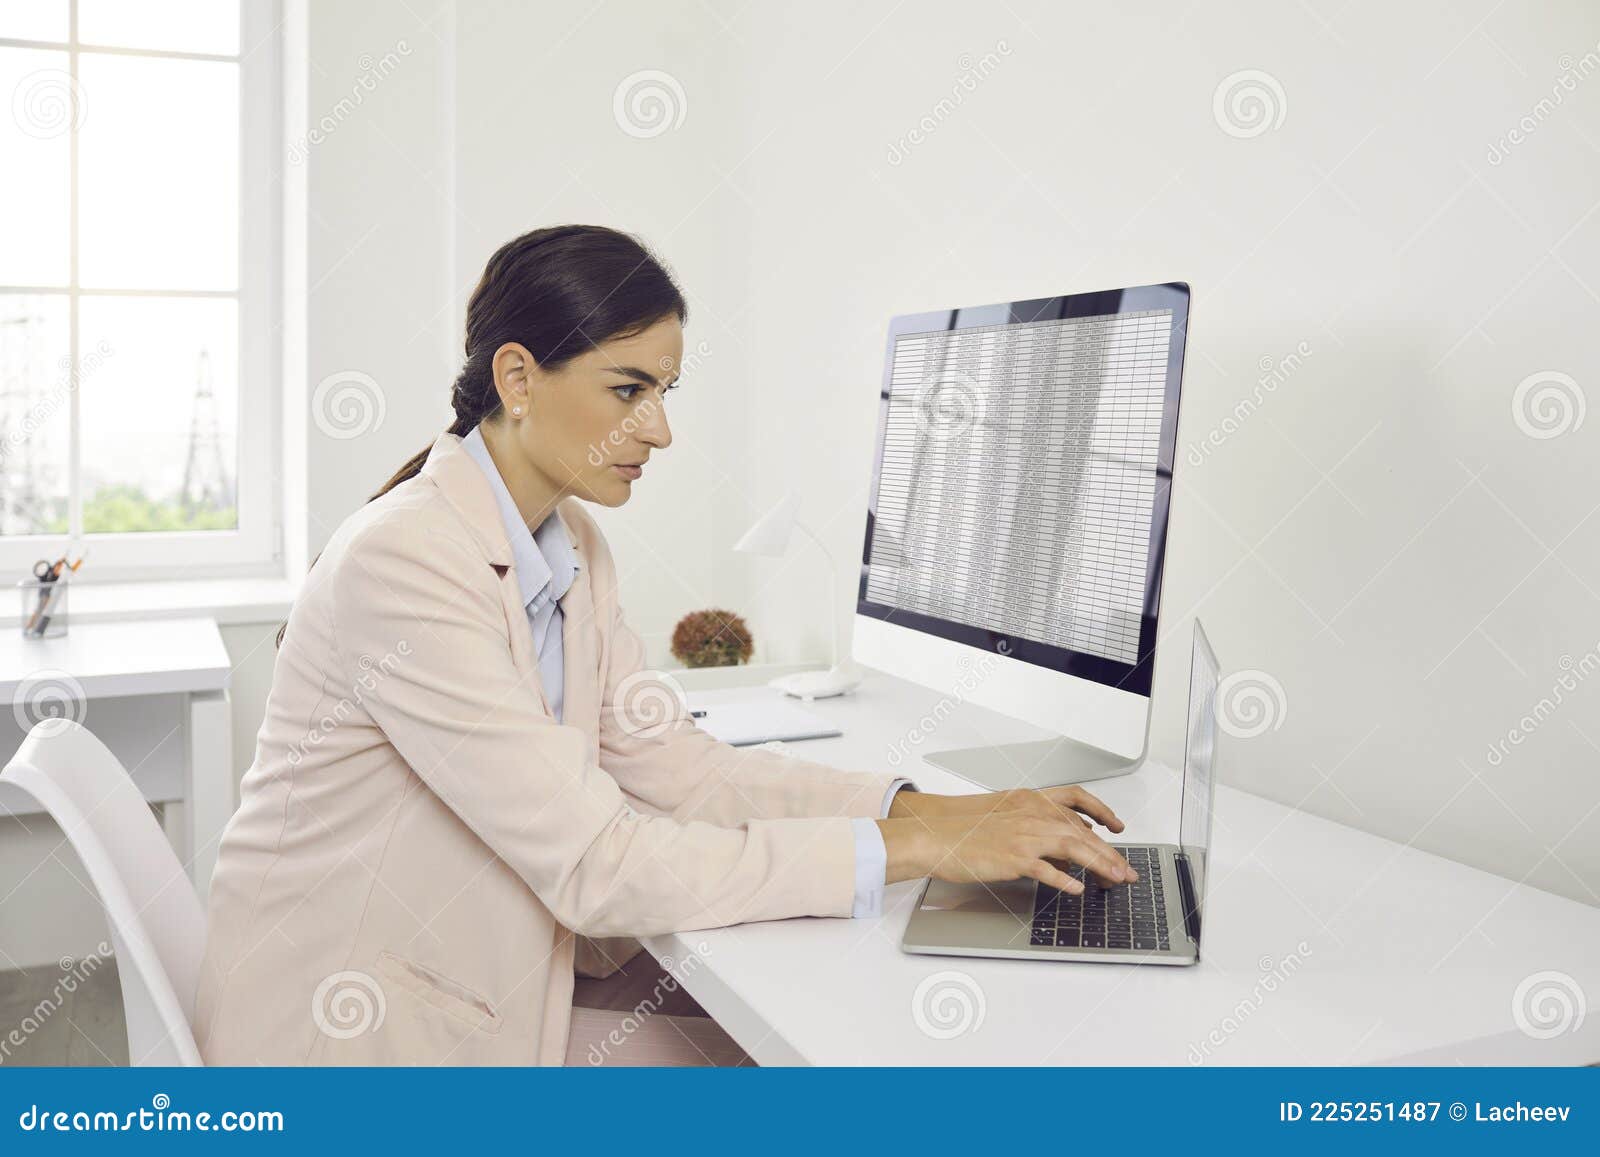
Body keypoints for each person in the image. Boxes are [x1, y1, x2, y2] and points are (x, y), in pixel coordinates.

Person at [192, 224, 1136, 1065]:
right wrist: (915, 848)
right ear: (518, 378)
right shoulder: (405, 559)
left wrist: (925, 807)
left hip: (477, 980)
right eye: (628, 389)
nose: (662, 428)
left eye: (665, 388)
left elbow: (676, 769)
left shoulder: (571, 546)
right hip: (341, 1038)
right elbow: (600, 868)